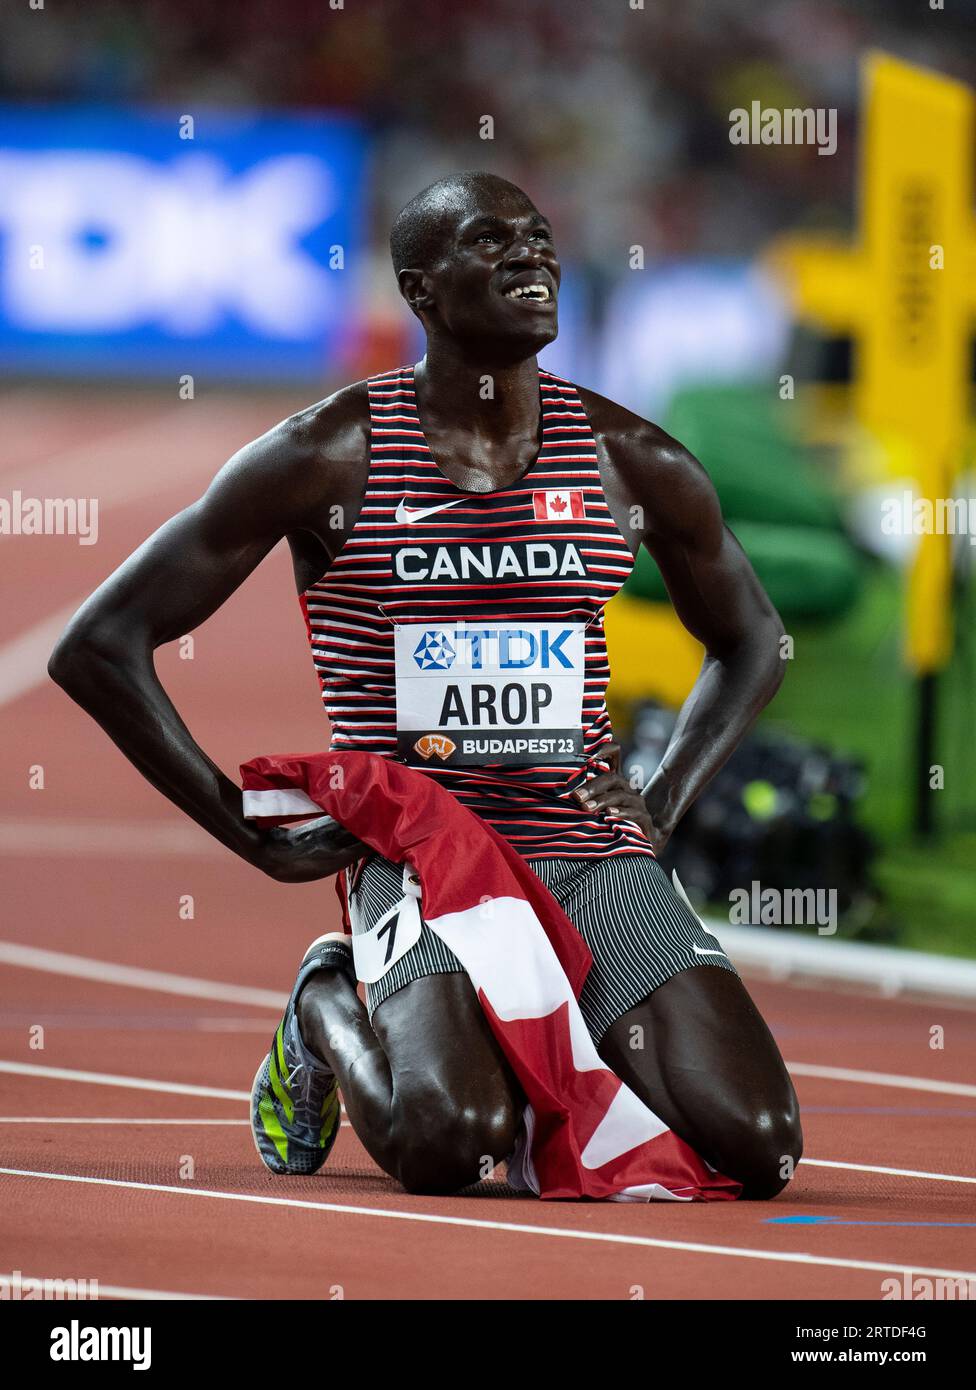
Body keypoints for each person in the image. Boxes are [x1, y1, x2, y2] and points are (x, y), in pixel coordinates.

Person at [50, 172, 802, 1199]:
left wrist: (660, 802)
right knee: (451, 1139)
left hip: (581, 843)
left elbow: (753, 639)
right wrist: (242, 827)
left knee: (757, 1145)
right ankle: (325, 997)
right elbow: (99, 643)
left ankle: (555, 1000)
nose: (529, 256)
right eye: (490, 242)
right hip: (414, 852)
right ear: (421, 290)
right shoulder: (329, 455)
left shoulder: (631, 460)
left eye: (537, 239)